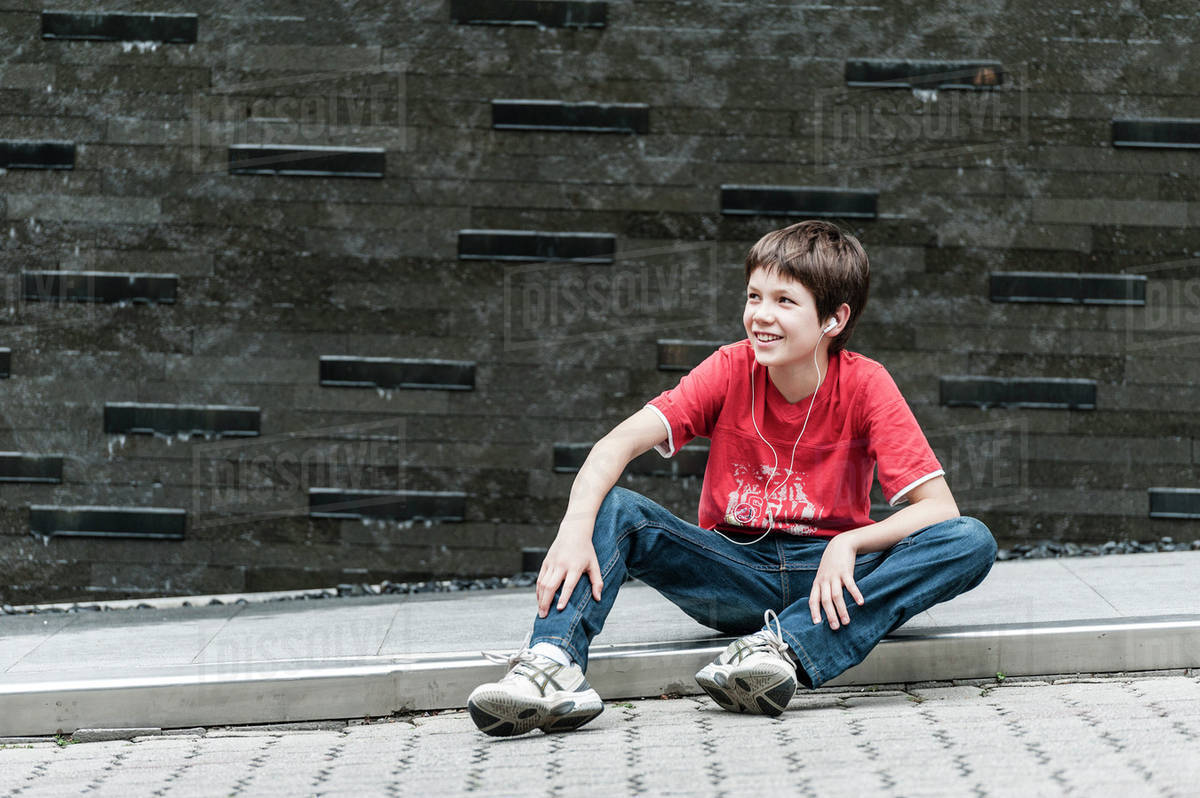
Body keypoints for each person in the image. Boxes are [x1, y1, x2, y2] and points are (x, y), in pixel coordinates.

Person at [468, 220, 997, 737]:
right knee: (618, 510)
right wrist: (572, 532)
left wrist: (850, 543)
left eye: (784, 302)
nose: (761, 316)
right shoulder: (729, 368)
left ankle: (782, 650)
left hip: (830, 580)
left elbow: (939, 510)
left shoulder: (865, 383)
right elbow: (615, 445)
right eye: (754, 296)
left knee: (969, 540)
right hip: (733, 569)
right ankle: (552, 664)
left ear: (834, 319)